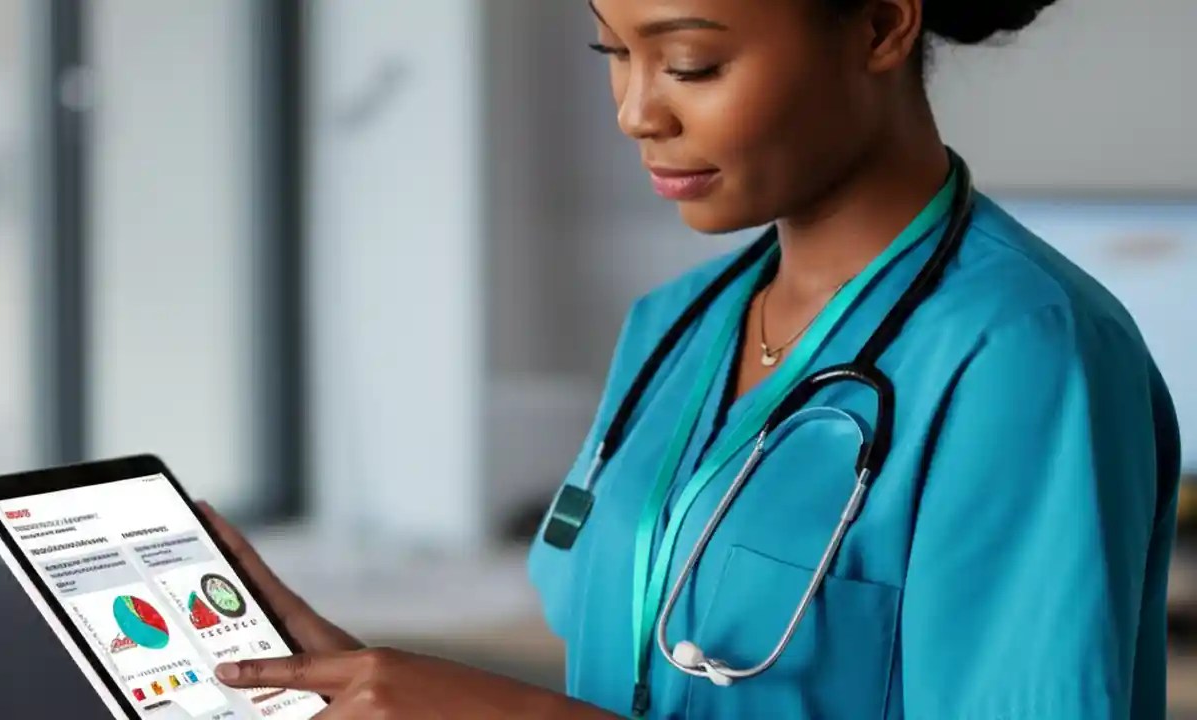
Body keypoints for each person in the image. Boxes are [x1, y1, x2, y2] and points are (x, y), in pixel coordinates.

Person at [203, 0, 1183, 716]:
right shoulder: (674, 326)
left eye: (690, 64)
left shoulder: (1019, 355)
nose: (636, 111)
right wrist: (365, 681)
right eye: (613, 52)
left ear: (880, 27)